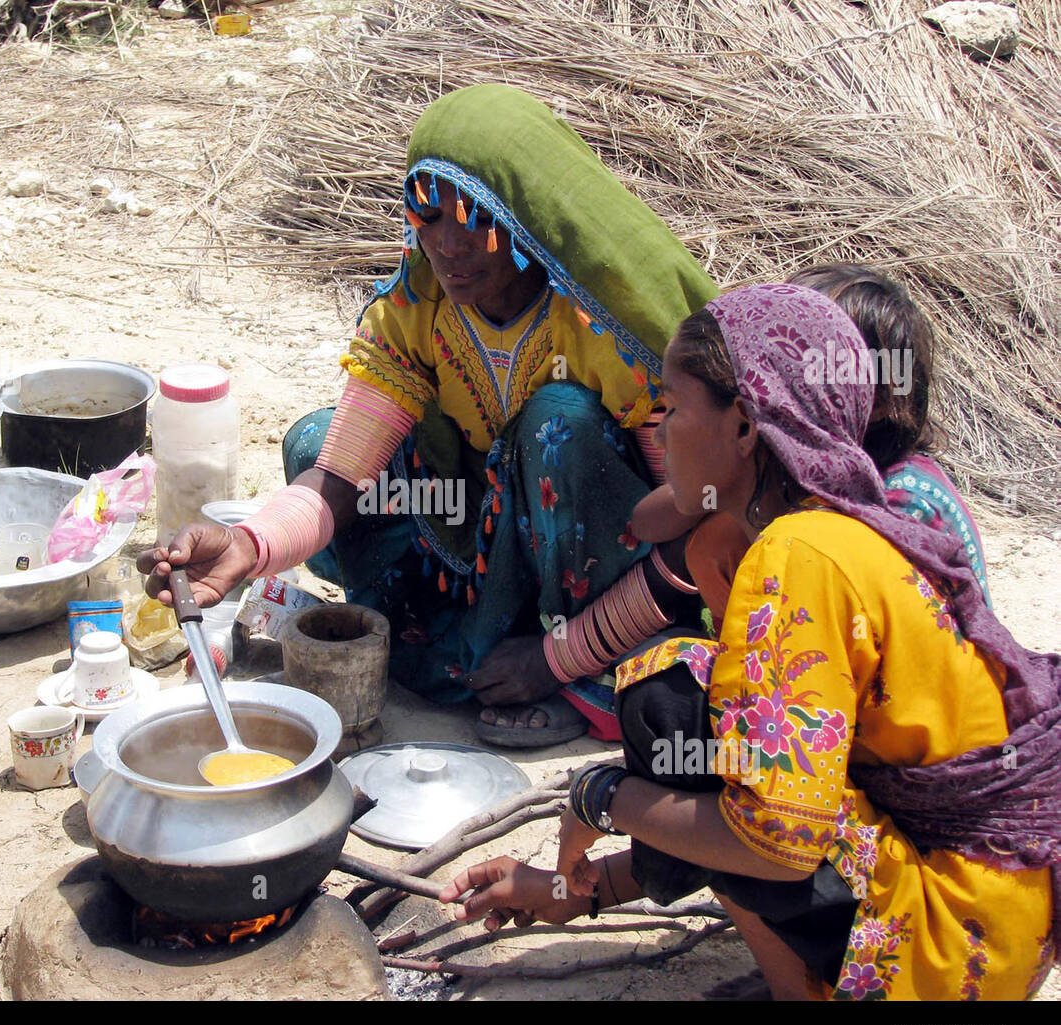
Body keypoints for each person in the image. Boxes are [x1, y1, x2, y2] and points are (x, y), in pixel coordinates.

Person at [442, 283, 1059, 999]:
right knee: (719, 722)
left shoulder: (798, 555)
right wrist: (573, 889)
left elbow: (777, 840)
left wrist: (598, 794)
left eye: (673, 407)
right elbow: (779, 797)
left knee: (671, 696)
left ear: (743, 427)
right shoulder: (840, 527)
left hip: (950, 952)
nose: (661, 431)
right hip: (1000, 925)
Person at [140, 84, 717, 747]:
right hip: (485, 527)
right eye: (430, 217)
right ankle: (461, 644)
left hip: (591, 554)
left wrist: (562, 654)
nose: (447, 245)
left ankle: (581, 677)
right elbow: (342, 477)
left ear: (526, 218)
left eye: (474, 219)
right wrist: (247, 548)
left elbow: (695, 523)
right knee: (314, 441)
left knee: (558, 422)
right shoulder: (419, 304)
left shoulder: (602, 326)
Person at [631, 262, 993, 632]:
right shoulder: (781, 479)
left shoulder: (900, 507)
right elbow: (647, 521)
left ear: (877, 399)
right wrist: (714, 485)